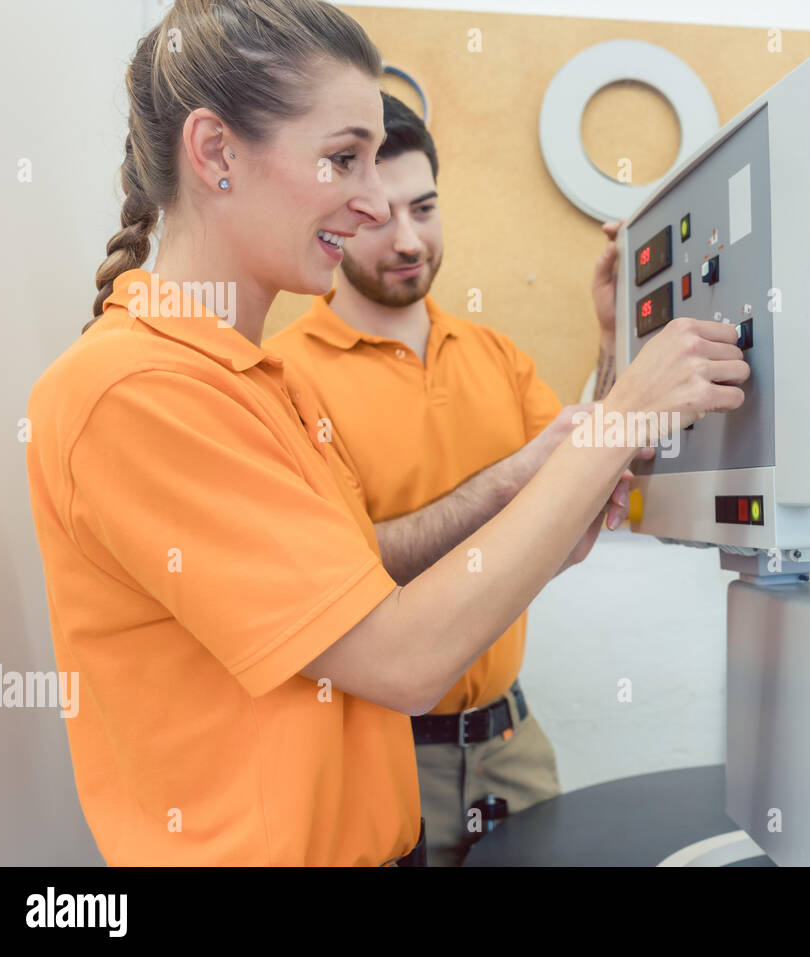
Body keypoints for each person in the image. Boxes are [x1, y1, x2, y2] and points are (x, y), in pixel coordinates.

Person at [24, 0, 747, 866]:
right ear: (216, 152)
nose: (374, 207)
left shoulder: (262, 382)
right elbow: (403, 658)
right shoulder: (135, 390)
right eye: (343, 161)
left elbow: (360, 594)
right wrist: (619, 419)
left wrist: (551, 500)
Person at [265, 93, 621, 865]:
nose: (407, 239)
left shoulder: (496, 354)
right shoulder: (284, 375)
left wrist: (614, 337)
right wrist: (506, 484)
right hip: (379, 756)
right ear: (336, 219)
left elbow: (585, 485)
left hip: (512, 740)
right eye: (378, 216)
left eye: (424, 208)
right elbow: (348, 574)